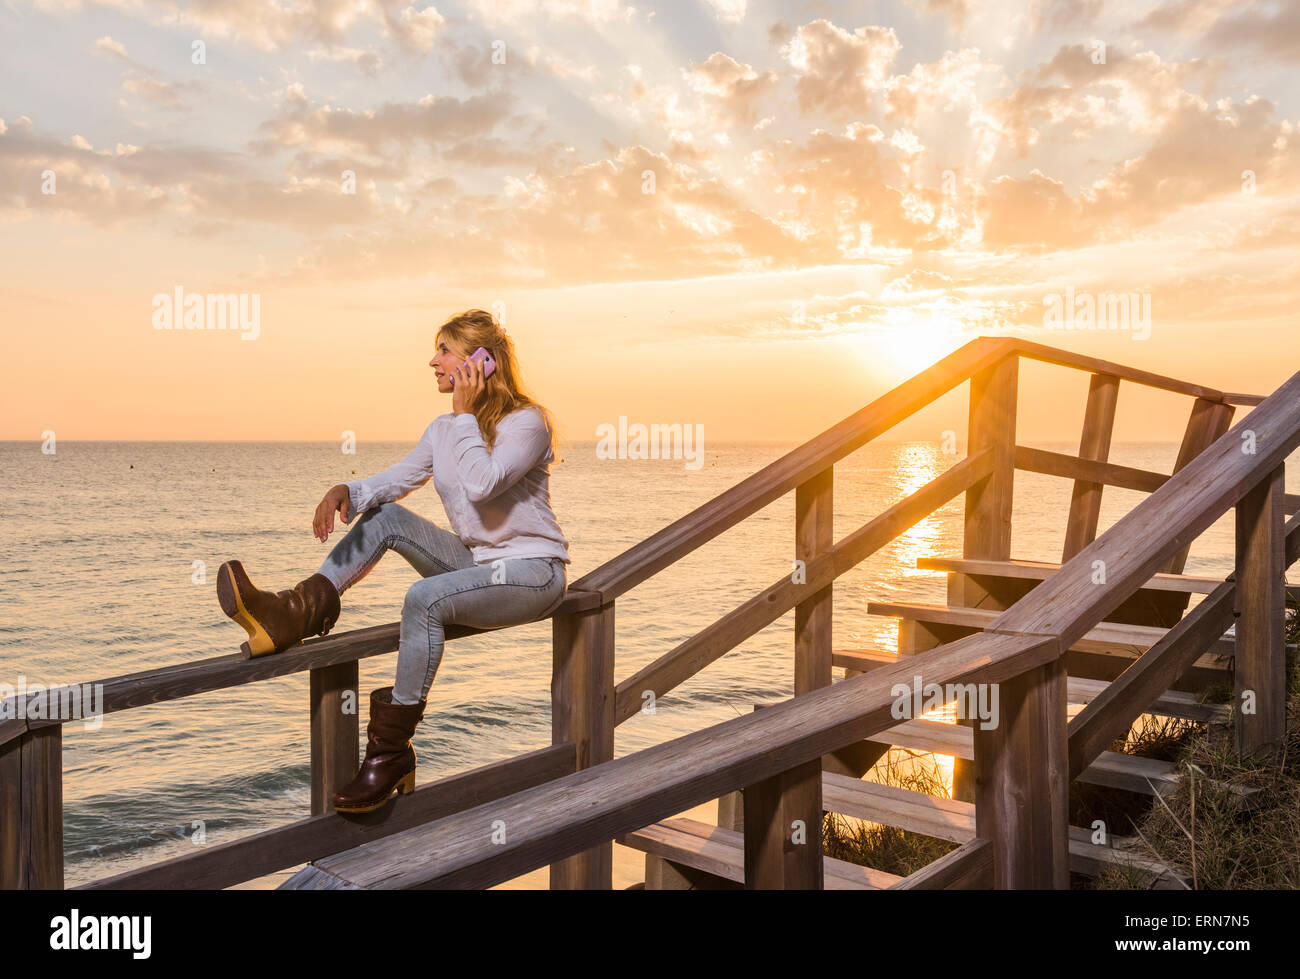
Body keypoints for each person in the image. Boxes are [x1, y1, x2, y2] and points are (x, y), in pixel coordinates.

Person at [215, 308, 570, 813]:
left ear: (480, 363)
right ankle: (293, 612)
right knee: (385, 516)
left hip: (534, 573)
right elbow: (401, 478)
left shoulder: (526, 423)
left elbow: (482, 482)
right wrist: (349, 491)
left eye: (445, 351)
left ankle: (389, 754)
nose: (433, 361)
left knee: (422, 599)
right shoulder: (443, 429)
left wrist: (467, 414)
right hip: (477, 563)